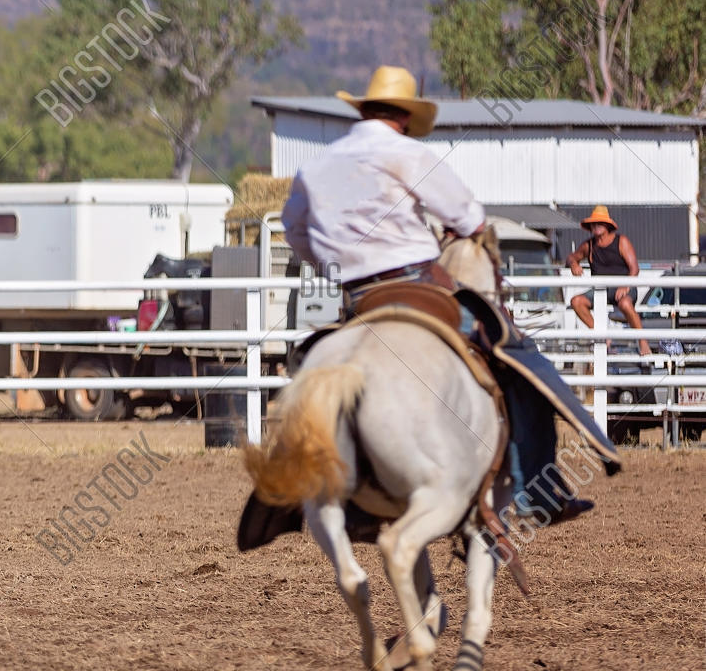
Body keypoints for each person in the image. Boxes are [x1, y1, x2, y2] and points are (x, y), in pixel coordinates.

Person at [279, 65, 618, 524]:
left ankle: (295, 494)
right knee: (516, 356)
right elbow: (469, 218)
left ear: (364, 110)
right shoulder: (408, 154)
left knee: (310, 363)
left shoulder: (317, 164)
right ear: (404, 117)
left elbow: (295, 231)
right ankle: (534, 490)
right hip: (416, 284)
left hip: (356, 296)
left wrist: (332, 265)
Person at [565, 205, 651, 357]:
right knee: (576, 301)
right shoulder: (588, 245)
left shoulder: (621, 241)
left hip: (624, 287)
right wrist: (573, 264)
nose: (596, 226)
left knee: (625, 303)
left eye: (600, 223)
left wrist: (625, 285)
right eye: (593, 224)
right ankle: (602, 337)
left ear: (607, 226)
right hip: (600, 289)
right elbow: (572, 257)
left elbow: (634, 268)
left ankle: (642, 342)